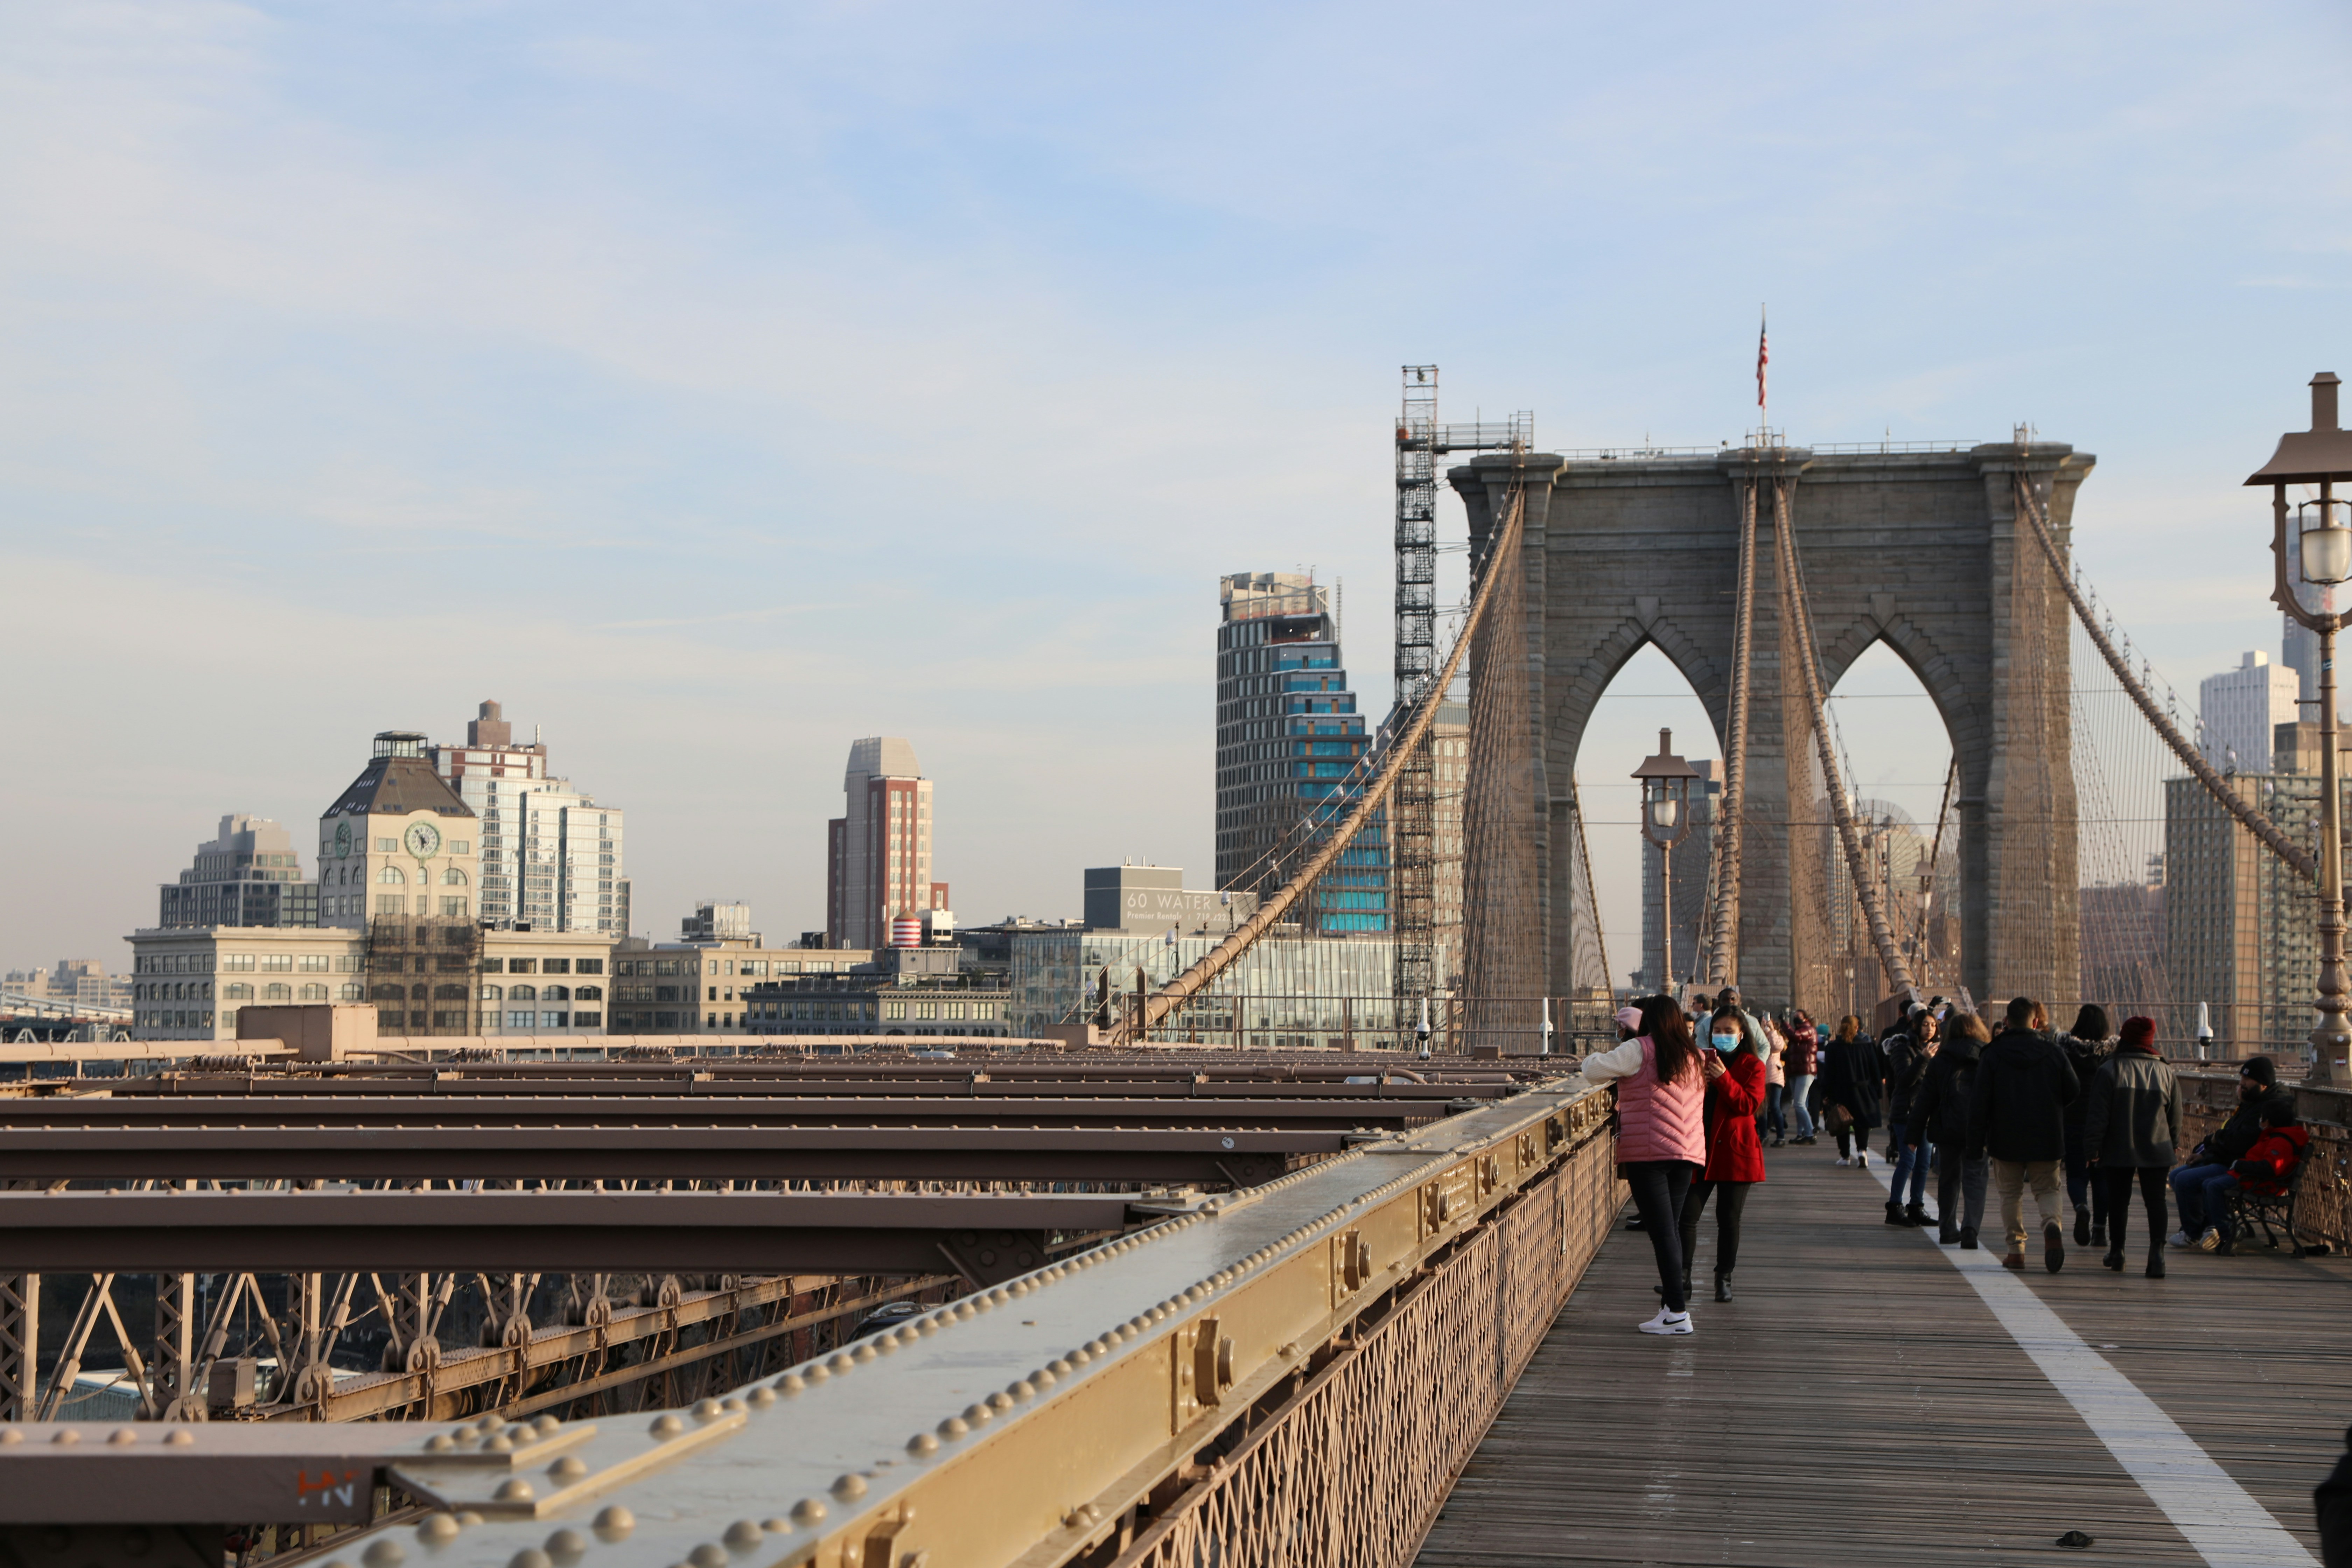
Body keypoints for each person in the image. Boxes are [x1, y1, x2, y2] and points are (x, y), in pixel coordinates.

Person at [1582, 994, 1722, 1334]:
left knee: (1663, 1234)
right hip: (1686, 1153)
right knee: (1669, 1230)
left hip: (1649, 1154)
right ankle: (1669, 1309)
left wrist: (1599, 1053)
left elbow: (1592, 1070)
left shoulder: (1639, 1049)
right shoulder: (1693, 1054)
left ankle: (1677, 1312)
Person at [1967, 996, 2080, 1272]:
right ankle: (2051, 1223)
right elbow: (2074, 1089)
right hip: (2047, 1135)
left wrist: (1975, 1144)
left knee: (2010, 1194)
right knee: (2047, 1188)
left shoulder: (1992, 1053)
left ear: (2006, 1022)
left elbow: (1979, 1102)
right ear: (2037, 1022)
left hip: (2005, 1137)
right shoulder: (2053, 1052)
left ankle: (2016, 1252)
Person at [1675, 1004, 1768, 1303]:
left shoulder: (1754, 1066)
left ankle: (1723, 1278)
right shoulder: (1698, 1062)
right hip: (1699, 1149)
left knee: (1728, 1219)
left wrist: (1724, 1078)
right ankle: (1682, 1279)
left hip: (1735, 1152)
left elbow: (1748, 1105)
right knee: (1686, 1216)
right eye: (1718, 1031)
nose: (1723, 1036)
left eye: (1729, 1032)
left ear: (1742, 1035)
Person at [2081, 1015, 2180, 1278]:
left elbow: (2098, 1115)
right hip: (2157, 1148)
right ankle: (2157, 1256)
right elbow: (2175, 1118)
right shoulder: (2166, 1071)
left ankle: (2118, 1253)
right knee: (2156, 1201)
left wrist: (2092, 1149)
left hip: (2118, 1147)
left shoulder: (2110, 1069)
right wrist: (2174, 1144)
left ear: (2124, 1038)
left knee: (2119, 1201)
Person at [2169, 1056, 2297, 1247]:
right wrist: (2206, 1153)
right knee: (2177, 1175)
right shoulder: (2253, 1103)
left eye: (2247, 1080)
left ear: (2263, 1084)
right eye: (2241, 1079)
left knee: (2185, 1179)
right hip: (2230, 1159)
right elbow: (2232, 1135)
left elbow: (2241, 1143)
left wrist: (2215, 1142)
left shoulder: (2268, 1109)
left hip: (2240, 1166)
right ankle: (2205, 1226)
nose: (2242, 1084)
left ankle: (2193, 1233)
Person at [2180, 1099, 2308, 1255]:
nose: (2260, 1121)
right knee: (2209, 1184)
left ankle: (2228, 1233)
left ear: (2269, 1121)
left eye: (2263, 1118)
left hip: (2258, 1182)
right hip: (2252, 1178)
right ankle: (2219, 1228)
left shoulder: (2280, 1141)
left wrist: (2240, 1165)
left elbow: (2271, 1167)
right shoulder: (2278, 1136)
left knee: (2213, 1186)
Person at [1909, 1011, 1990, 1246]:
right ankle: (1971, 1230)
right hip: (1978, 1129)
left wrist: (1914, 1134)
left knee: (1949, 1178)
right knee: (1976, 1178)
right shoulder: (1986, 1057)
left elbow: (1925, 1101)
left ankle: (1947, 1229)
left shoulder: (1940, 1061)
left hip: (1947, 1128)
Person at [2059, 1004, 2116, 1248]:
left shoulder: (2065, 1051)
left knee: (2076, 1174)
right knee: (2102, 1177)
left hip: (2074, 1118)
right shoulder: (2114, 1054)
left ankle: (2081, 1207)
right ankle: (2101, 1231)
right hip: (2105, 1121)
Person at [1881, 1008, 1939, 1226]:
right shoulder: (1901, 1048)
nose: (1930, 1029)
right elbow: (1904, 1080)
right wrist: (1923, 1059)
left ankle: (1916, 1207)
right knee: (1908, 1160)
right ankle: (1895, 1207)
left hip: (1926, 1113)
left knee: (1924, 1163)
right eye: (1926, 1025)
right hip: (1906, 1112)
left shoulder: (1936, 1049)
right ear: (1915, 1025)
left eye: (1933, 1025)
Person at [1818, 1014, 1882, 1168]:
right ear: (1857, 1028)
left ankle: (1845, 1156)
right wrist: (1877, 1091)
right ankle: (1862, 1151)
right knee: (1862, 1122)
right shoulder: (1867, 1045)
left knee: (1842, 1121)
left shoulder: (1833, 1047)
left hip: (1841, 1091)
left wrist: (1826, 1094)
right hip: (1864, 1089)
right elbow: (1875, 1071)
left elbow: (1829, 1073)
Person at [1783, 1010, 1820, 1144]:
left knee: (1799, 1103)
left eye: (1798, 1016)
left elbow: (1796, 1036)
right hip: (1795, 1071)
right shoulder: (1799, 1031)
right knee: (1799, 1104)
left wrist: (1784, 1024)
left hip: (1805, 1071)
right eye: (1794, 1016)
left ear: (1805, 1018)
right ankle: (1801, 1134)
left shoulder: (1809, 1030)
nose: (1795, 1018)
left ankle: (1810, 1133)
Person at [1757, 1015, 1789, 1148]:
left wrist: (1772, 1031)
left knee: (1775, 1107)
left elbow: (1777, 1047)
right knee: (1762, 1108)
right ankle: (1763, 1135)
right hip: (1762, 1076)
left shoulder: (1777, 1037)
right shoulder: (1758, 1037)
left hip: (1775, 1075)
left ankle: (1781, 1136)